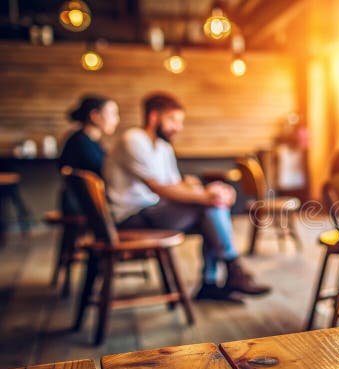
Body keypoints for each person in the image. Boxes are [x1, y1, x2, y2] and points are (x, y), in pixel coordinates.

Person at [103, 93, 270, 303]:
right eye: (173, 120)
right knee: (209, 206)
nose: (179, 127)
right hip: (129, 218)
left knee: (210, 210)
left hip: (153, 211)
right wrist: (207, 195)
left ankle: (212, 282)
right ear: (154, 117)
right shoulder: (133, 140)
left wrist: (209, 190)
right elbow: (160, 188)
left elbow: (175, 184)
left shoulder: (163, 146)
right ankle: (232, 269)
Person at [59, 95, 119, 214]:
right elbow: (103, 171)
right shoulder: (79, 142)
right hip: (83, 205)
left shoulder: (91, 141)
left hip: (89, 203)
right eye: (113, 114)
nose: (117, 120)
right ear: (95, 116)